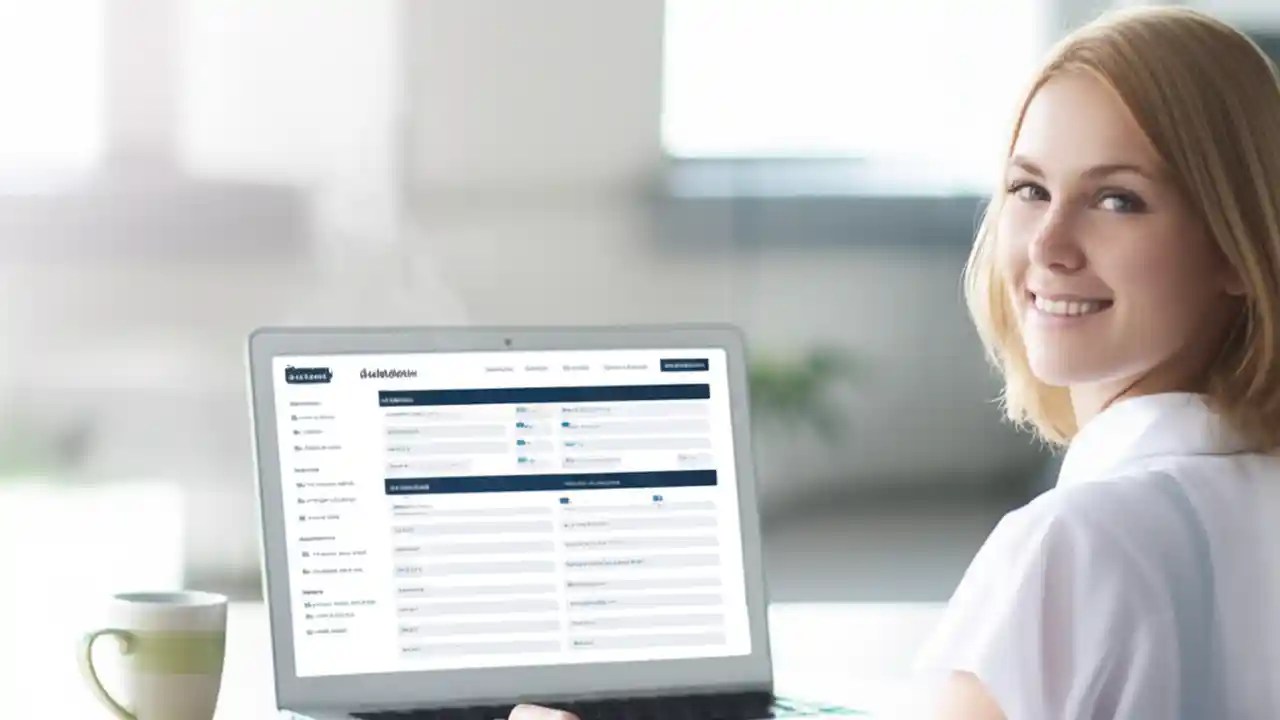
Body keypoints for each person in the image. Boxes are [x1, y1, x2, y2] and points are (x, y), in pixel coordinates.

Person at [511, 7, 1280, 719]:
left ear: (1239, 245)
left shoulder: (1072, 542)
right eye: (1028, 189)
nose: (1049, 244)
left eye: (1117, 200)